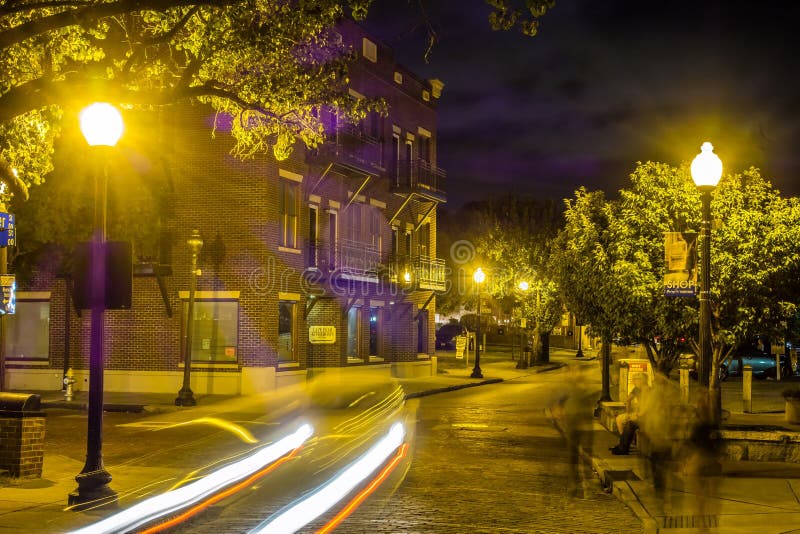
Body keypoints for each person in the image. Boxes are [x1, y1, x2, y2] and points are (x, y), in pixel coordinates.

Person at [610, 372, 649, 455]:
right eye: (634, 380)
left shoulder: (647, 390)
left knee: (630, 424)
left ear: (642, 381)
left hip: (647, 417)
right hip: (640, 414)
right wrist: (630, 413)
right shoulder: (637, 389)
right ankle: (622, 445)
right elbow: (628, 400)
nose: (635, 382)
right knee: (623, 421)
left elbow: (647, 407)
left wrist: (638, 415)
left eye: (637, 380)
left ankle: (623, 448)